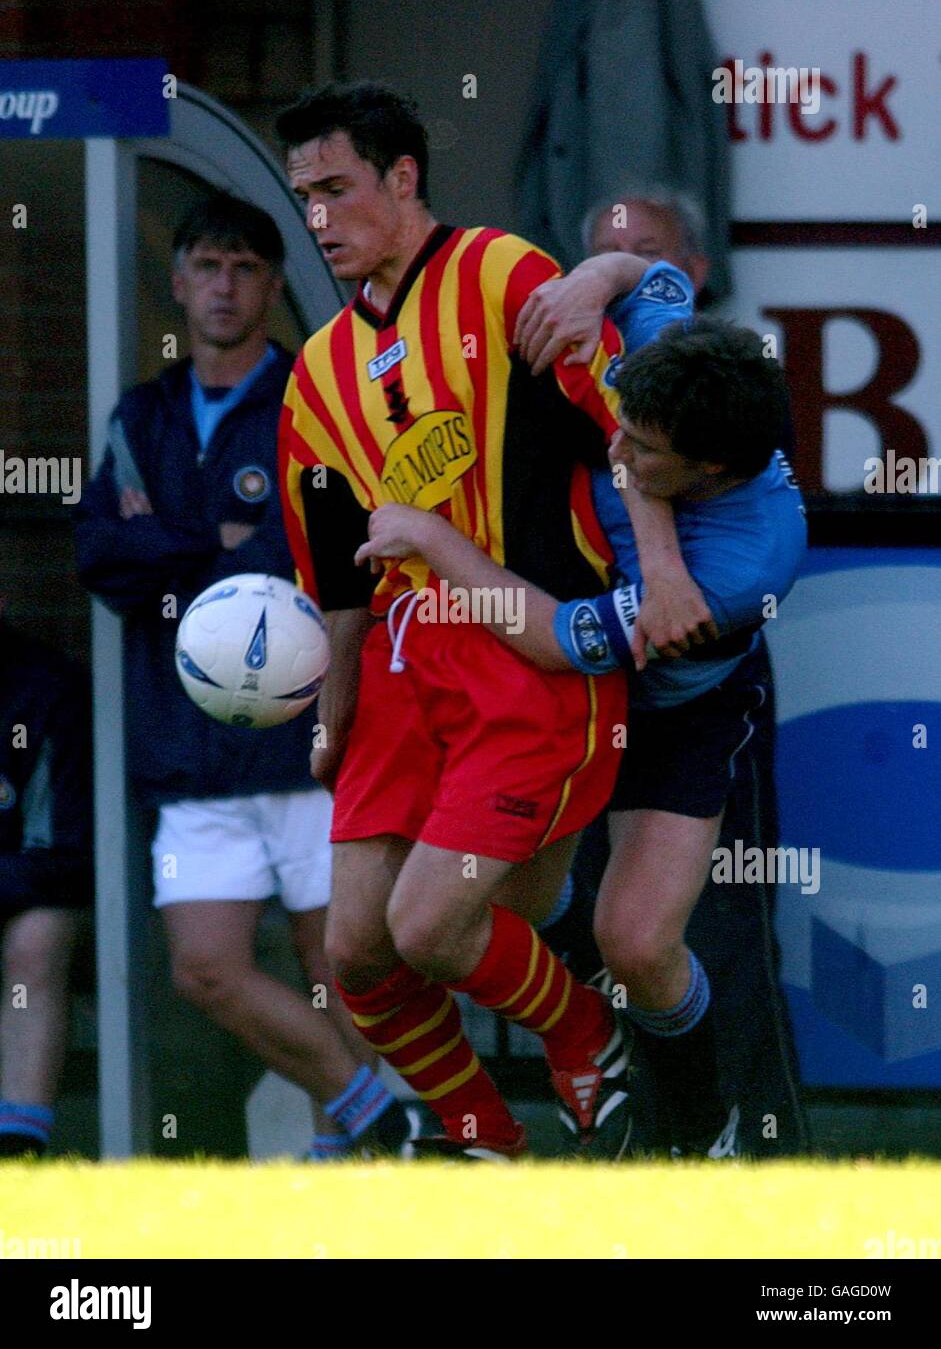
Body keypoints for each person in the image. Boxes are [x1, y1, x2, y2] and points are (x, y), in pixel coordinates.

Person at [276, 82, 717, 1160]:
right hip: (392, 670)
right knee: (356, 954)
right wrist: (330, 711)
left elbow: (629, 433)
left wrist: (659, 572)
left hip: (528, 651)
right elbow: (339, 579)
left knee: (432, 927)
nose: (320, 219)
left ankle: (586, 1036)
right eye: (305, 198)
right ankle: (482, 1144)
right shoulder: (314, 375)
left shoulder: (501, 275)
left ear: (403, 178)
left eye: (338, 189)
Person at [356, 258, 807, 1158]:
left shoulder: (743, 563)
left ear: (709, 471)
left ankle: (700, 1131)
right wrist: (591, 282)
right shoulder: (670, 360)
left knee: (639, 944)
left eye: (642, 449)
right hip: (569, 687)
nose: (617, 448)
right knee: (516, 906)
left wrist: (432, 539)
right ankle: (597, 1033)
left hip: (670, 712)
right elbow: (653, 268)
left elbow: (555, 637)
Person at [75, 192, 413, 1160]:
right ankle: (369, 1109)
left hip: (302, 737)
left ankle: (348, 1166)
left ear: (271, 285)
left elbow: (302, 553)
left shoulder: (312, 399)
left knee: (332, 963)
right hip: (186, 749)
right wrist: (205, 543)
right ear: (177, 283)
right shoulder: (141, 413)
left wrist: (176, 545)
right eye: (206, 266)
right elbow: (103, 554)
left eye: (244, 268)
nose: (224, 286)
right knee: (205, 968)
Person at [0, 598, 92, 1157]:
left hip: (27, 885)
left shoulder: (44, 688)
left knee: (39, 938)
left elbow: (66, 855)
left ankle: (19, 1146)